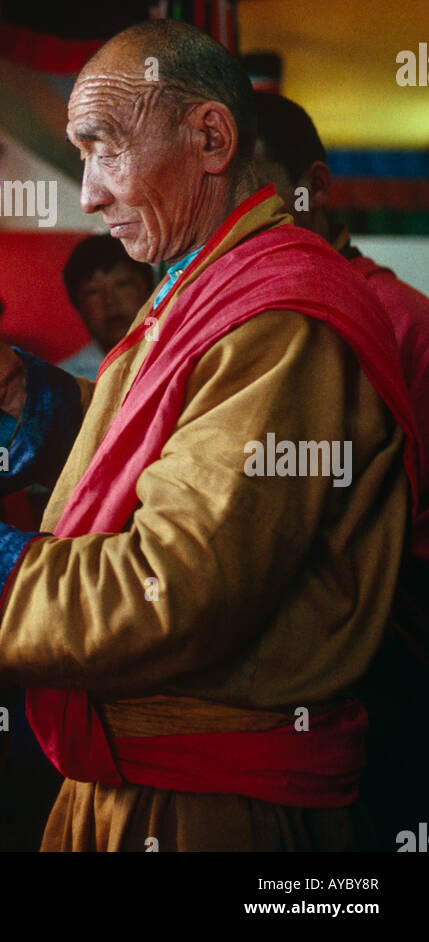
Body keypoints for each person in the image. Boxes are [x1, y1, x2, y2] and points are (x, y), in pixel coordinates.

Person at [0, 20, 418, 854]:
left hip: (210, 811)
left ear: (209, 137)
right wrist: (23, 396)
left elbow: (171, 586)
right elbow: (168, 448)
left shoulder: (278, 320)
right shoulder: (202, 288)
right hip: (135, 784)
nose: (86, 194)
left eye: (103, 150)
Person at [254, 89, 429, 842]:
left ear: (313, 187)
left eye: (256, 195)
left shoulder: (398, 319)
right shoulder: (245, 317)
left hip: (382, 652)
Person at [58, 237, 154, 381]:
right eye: (93, 292)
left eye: (122, 284)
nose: (109, 301)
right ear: (78, 305)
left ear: (150, 289)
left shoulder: (181, 357)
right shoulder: (65, 381)